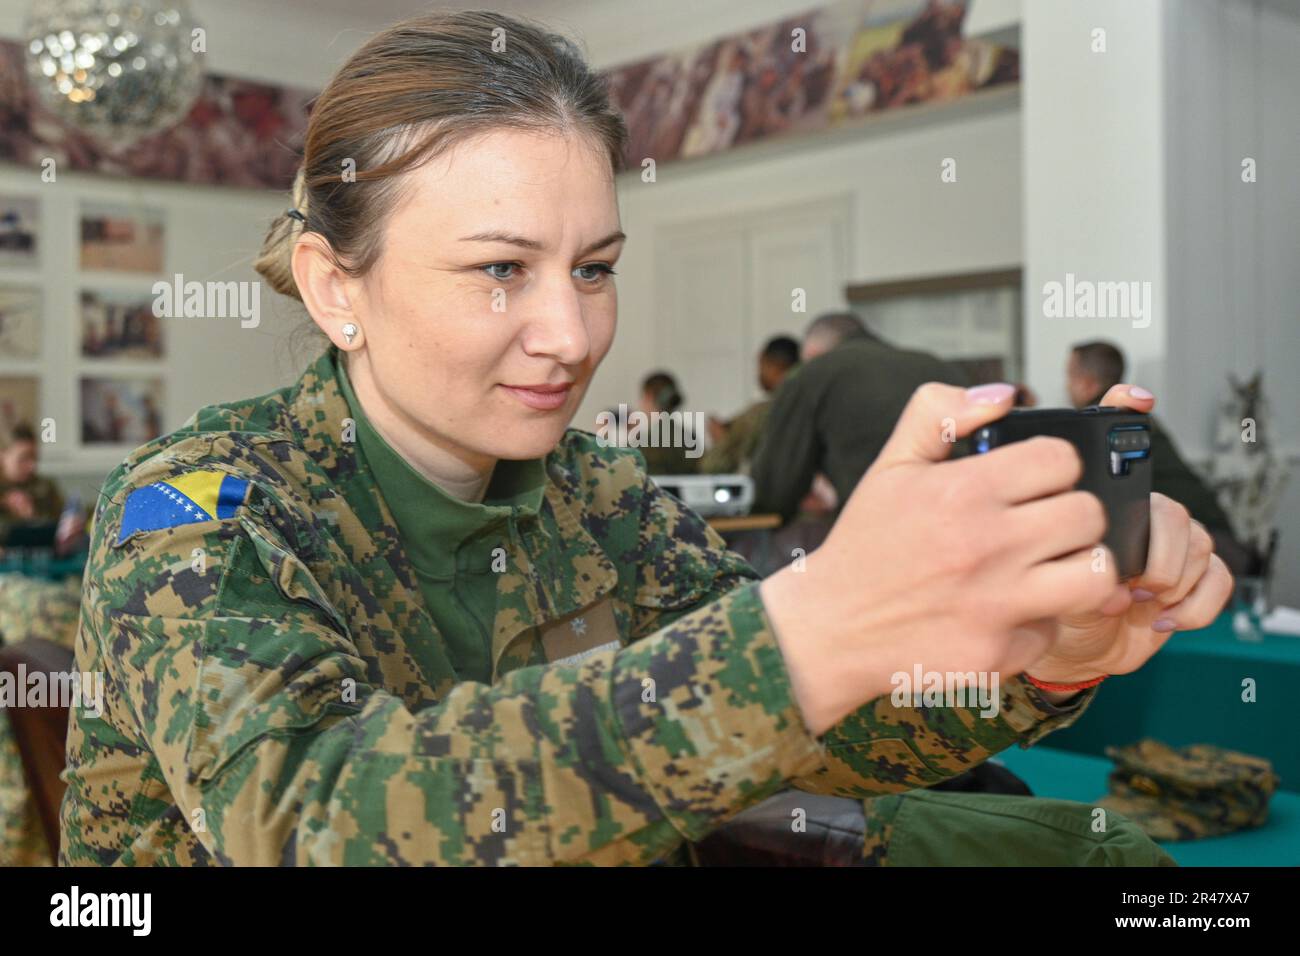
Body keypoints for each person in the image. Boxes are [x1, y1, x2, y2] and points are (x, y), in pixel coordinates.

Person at [60, 11, 1231, 867]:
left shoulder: (594, 497)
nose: (569, 334)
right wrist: (804, 633)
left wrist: (1048, 651)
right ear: (333, 285)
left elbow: (815, 742)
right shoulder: (200, 511)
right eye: (500, 270)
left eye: (595, 269)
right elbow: (312, 816)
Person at [751, 311, 968, 519]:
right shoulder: (939, 366)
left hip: (887, 527)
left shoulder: (813, 374)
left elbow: (774, 488)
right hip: (967, 514)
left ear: (813, 353)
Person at [1068, 340, 1250, 574]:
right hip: (1215, 535)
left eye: (1070, 376)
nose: (1067, 386)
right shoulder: (1130, 417)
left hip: (1206, 544)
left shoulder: (1097, 426)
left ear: (1087, 384)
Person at [699, 335, 798, 474]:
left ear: (766, 361)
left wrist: (723, 441)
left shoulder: (760, 414)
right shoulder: (812, 404)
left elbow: (713, 466)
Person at [0, 423, 63, 542]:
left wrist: (33, 519)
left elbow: (61, 531)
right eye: (23, 458)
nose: (32, 466)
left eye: (34, 458)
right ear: (2, 455)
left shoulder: (45, 488)